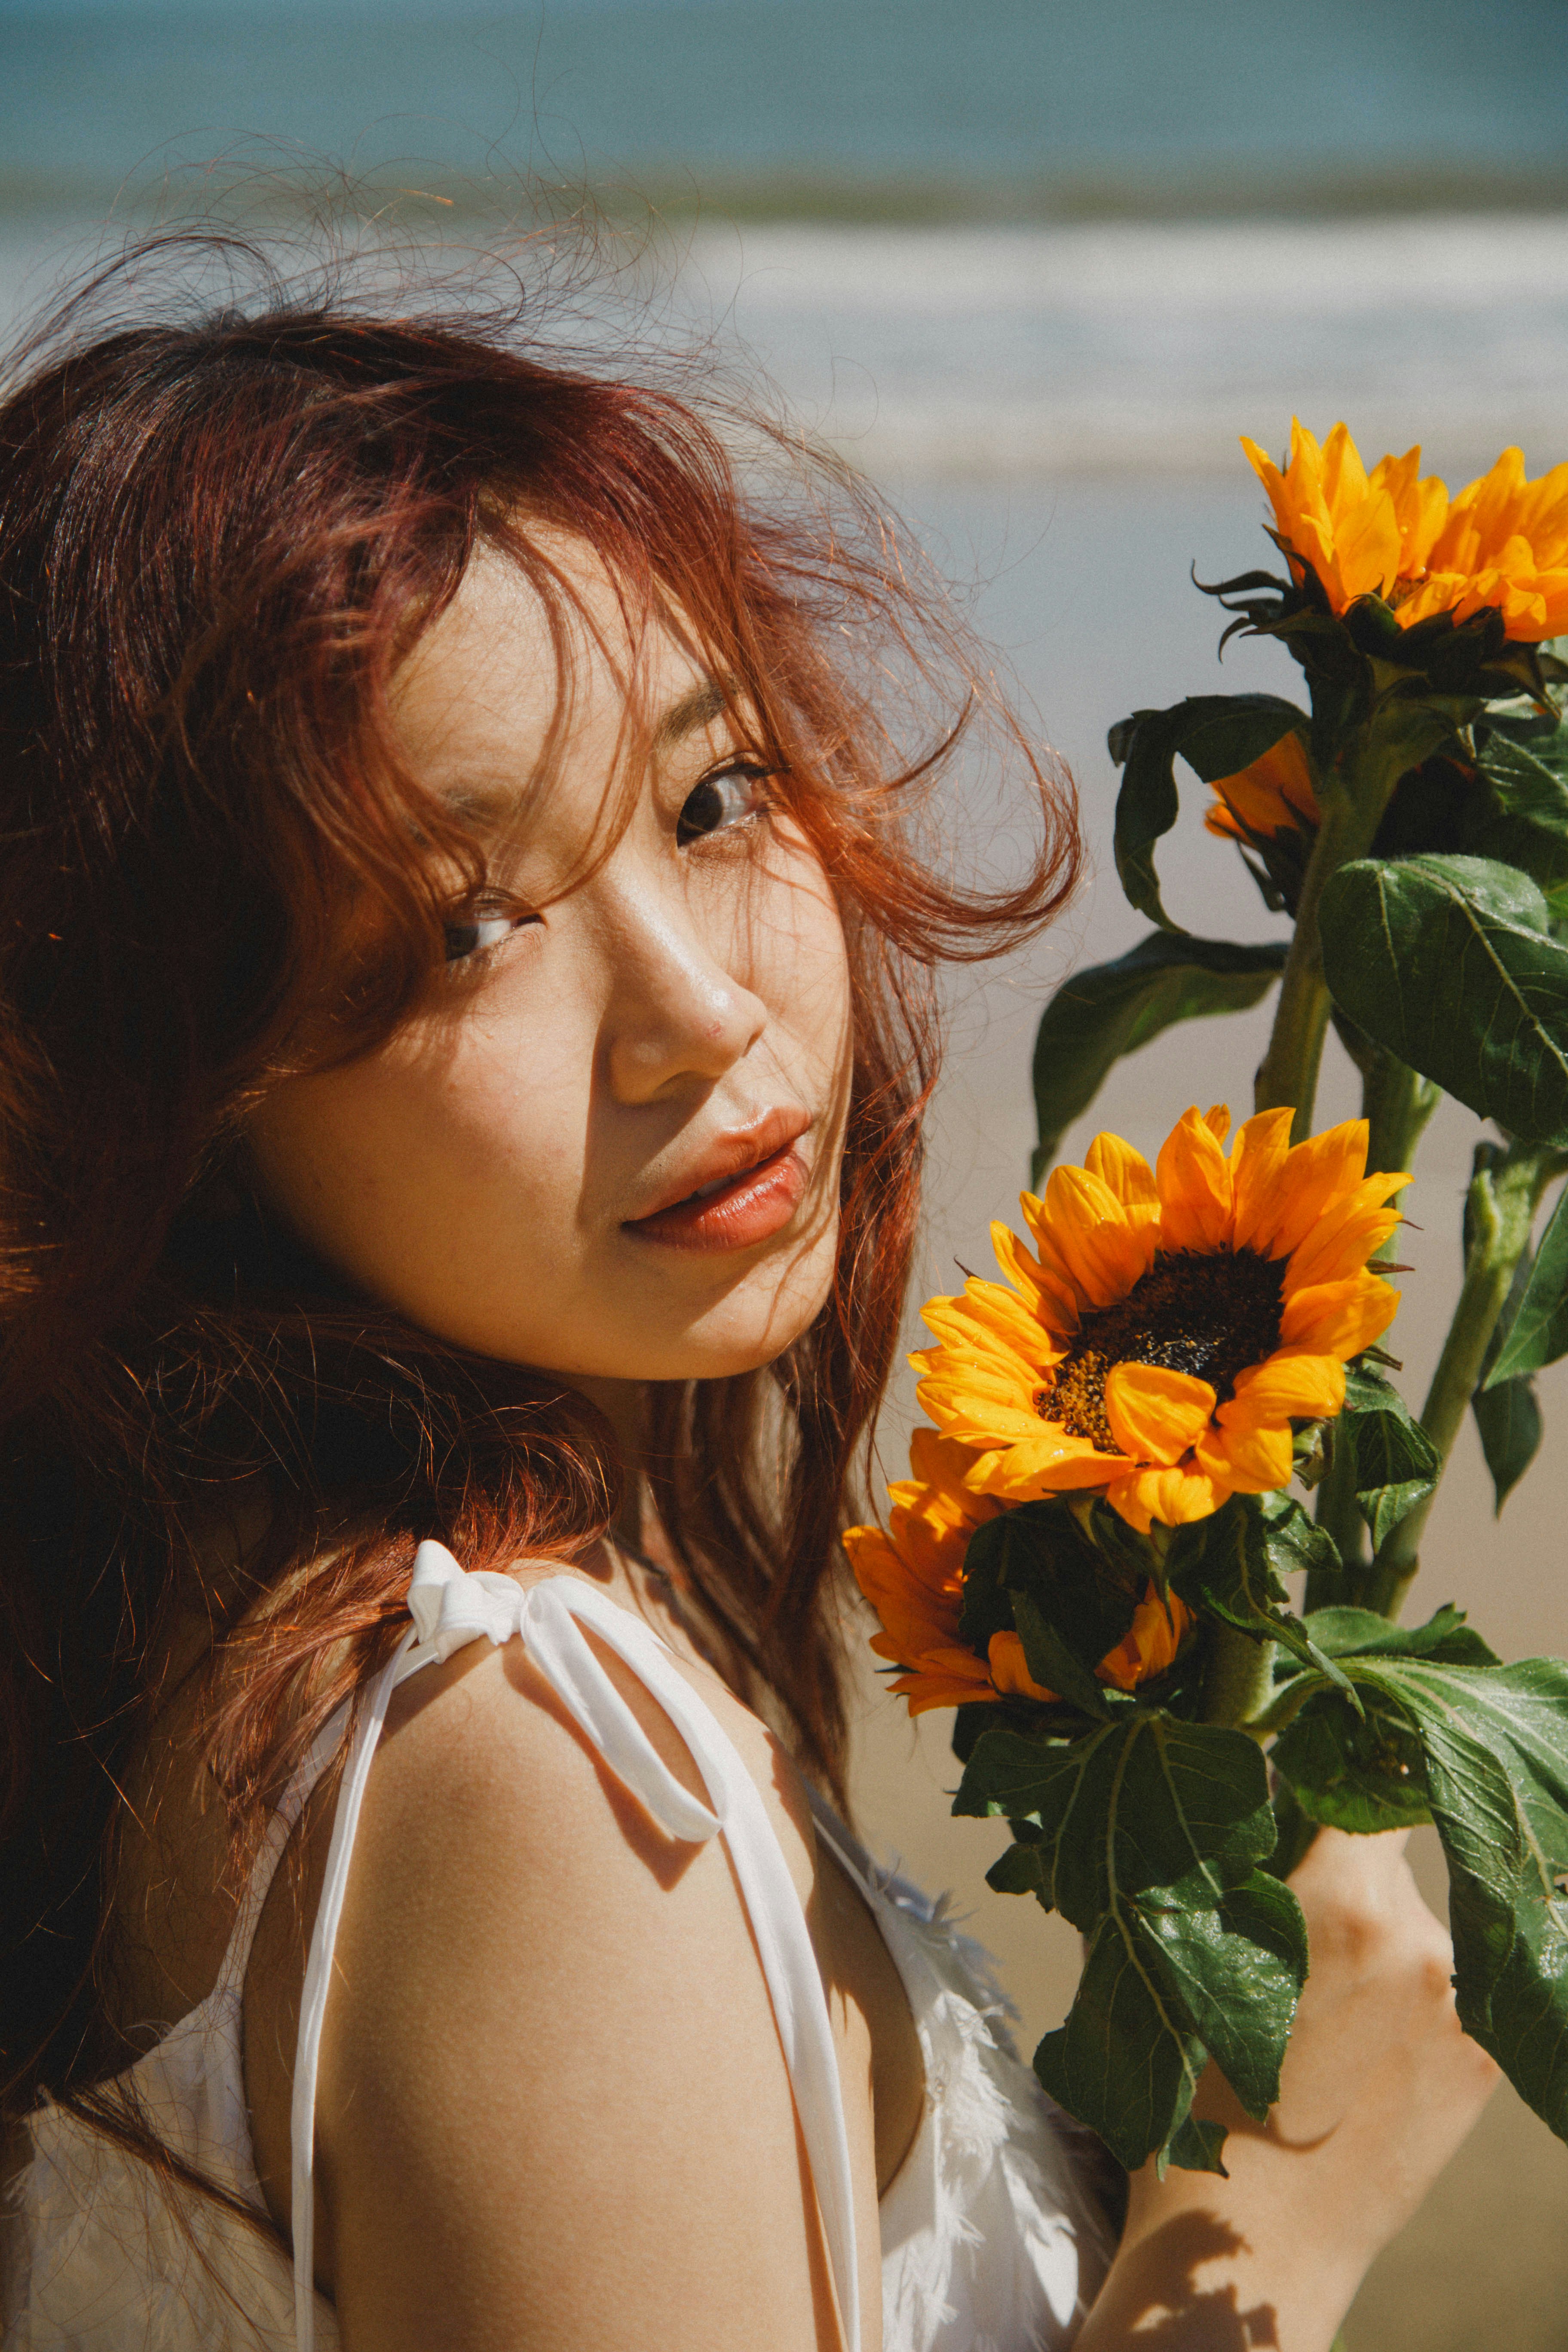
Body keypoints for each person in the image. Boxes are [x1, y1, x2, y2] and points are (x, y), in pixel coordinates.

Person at [0, 236, 1498, 2352]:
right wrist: (1262, 2236)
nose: (701, 1011)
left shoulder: (168, 1619)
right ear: (169, 1083)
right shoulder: (534, 1784)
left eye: (715, 797)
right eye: (466, 930)